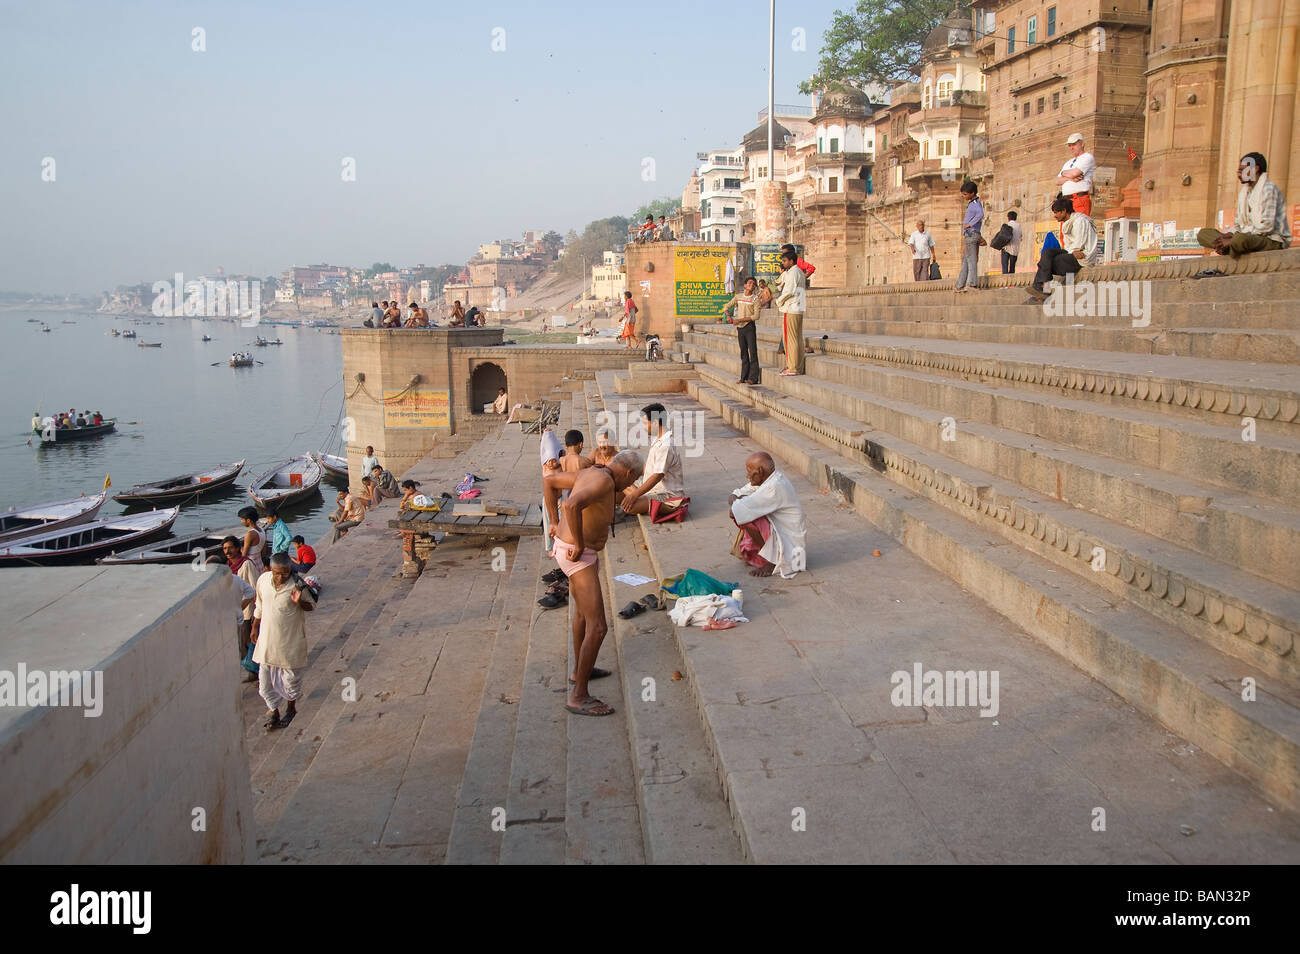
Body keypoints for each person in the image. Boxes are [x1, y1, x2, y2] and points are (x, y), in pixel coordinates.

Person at [543, 450, 645, 716]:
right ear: (628, 474)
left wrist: (553, 523)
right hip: (578, 555)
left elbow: (550, 480)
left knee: (582, 616)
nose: (629, 487)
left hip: (575, 552)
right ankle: (578, 697)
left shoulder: (593, 472)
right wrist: (577, 541)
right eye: (633, 480)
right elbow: (571, 505)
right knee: (598, 627)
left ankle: (580, 672)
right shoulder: (605, 481)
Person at [251, 551, 316, 731]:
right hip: (267, 641)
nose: (281, 577)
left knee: (291, 682)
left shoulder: (297, 585)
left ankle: (290, 708)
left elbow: (312, 606)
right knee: (264, 686)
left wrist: (299, 603)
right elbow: (259, 604)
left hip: (290, 641)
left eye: (285, 573)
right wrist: (255, 626)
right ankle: (273, 710)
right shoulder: (263, 580)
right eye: (277, 573)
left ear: (290, 570)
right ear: (271, 570)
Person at [1197, 152, 1292, 258]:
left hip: (1271, 240)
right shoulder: (1244, 192)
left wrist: (1234, 237)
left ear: (1255, 169)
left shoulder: (1269, 190)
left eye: (1242, 170)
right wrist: (1228, 234)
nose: (1238, 174)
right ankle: (1228, 246)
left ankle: (1230, 246)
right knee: (1203, 234)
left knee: (1240, 240)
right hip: (1245, 237)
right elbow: (1238, 224)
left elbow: (1266, 227)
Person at [729, 452, 808, 578]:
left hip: (792, 550)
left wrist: (740, 501)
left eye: (749, 471)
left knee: (747, 518)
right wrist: (739, 499)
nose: (747, 475)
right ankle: (766, 555)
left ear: (760, 471)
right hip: (788, 541)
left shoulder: (774, 486)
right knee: (746, 512)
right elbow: (736, 494)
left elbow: (736, 510)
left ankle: (772, 562)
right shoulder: (769, 478)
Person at [1026, 196, 1099, 302]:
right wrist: (1072, 252)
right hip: (1072, 253)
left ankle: (1044, 290)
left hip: (1083, 256)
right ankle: (1042, 290)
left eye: (1056, 213)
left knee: (1047, 263)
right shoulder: (1067, 224)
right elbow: (1068, 247)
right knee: (1047, 253)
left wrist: (1075, 251)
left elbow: (1080, 242)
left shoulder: (1080, 221)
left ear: (1064, 211)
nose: (1055, 216)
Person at [620, 403, 684, 516]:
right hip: (652, 488)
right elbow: (650, 467)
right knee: (619, 481)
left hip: (668, 494)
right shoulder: (658, 439)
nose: (644, 427)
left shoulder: (666, 445)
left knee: (630, 507)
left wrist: (634, 495)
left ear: (655, 423)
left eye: (645, 423)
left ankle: (671, 506)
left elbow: (657, 476)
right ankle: (640, 497)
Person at [211, 535, 259, 680]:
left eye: (230, 547)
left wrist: (245, 608)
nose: (228, 551)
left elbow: (255, 589)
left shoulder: (246, 564)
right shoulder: (229, 567)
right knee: (240, 644)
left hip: (247, 612)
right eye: (225, 548)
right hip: (234, 613)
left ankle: (254, 673)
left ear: (238, 548)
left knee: (246, 643)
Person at [721, 276, 761, 385]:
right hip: (740, 329)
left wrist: (739, 320)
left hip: (749, 327)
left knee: (752, 352)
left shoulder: (755, 299)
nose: (751, 285)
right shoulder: (738, 297)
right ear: (744, 285)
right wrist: (728, 316)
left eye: (753, 284)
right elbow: (726, 306)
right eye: (749, 283)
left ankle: (753, 378)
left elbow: (756, 316)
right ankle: (743, 377)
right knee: (743, 353)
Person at [775, 249, 806, 375]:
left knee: (791, 339)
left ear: (791, 261)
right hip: (798, 308)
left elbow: (788, 291)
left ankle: (792, 367)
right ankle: (797, 367)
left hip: (791, 307)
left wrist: (778, 301)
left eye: (785, 261)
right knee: (797, 338)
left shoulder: (794, 272)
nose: (783, 263)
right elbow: (779, 284)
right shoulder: (797, 272)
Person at [955, 180, 985, 291]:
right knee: (966, 260)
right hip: (970, 235)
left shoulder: (976, 203)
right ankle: (960, 285)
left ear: (972, 193)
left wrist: (970, 224)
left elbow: (980, 214)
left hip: (972, 234)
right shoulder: (972, 203)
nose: (964, 196)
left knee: (971, 260)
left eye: (965, 194)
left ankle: (972, 283)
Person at [1055, 133, 1096, 216]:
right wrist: (1069, 178)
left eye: (1074, 144)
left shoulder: (1087, 157)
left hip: (1079, 198)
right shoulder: (1068, 162)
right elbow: (1057, 181)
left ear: (1082, 144)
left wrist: (1065, 174)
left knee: (1080, 225)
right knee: (1066, 227)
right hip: (1066, 201)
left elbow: (1075, 173)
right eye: (1069, 145)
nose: (1071, 148)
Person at [238, 506, 266, 574]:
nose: (241, 521)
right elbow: (264, 550)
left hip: (251, 564)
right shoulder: (262, 530)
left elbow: (244, 554)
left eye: (242, 519)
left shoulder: (250, 534)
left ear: (248, 520)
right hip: (259, 562)